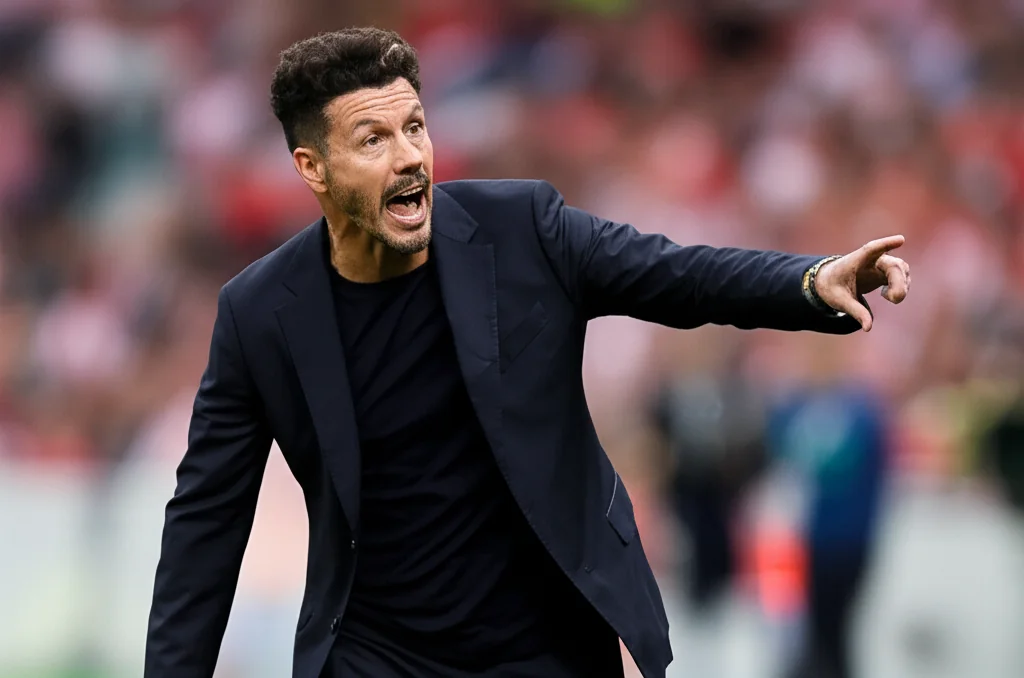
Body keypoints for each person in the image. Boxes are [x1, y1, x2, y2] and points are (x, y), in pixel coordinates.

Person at [144, 27, 911, 678]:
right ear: (312, 167)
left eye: (415, 126)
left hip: (546, 644)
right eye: (373, 139)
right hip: (378, 656)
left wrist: (809, 281)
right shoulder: (259, 315)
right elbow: (205, 521)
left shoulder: (522, 230)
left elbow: (677, 275)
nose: (409, 155)